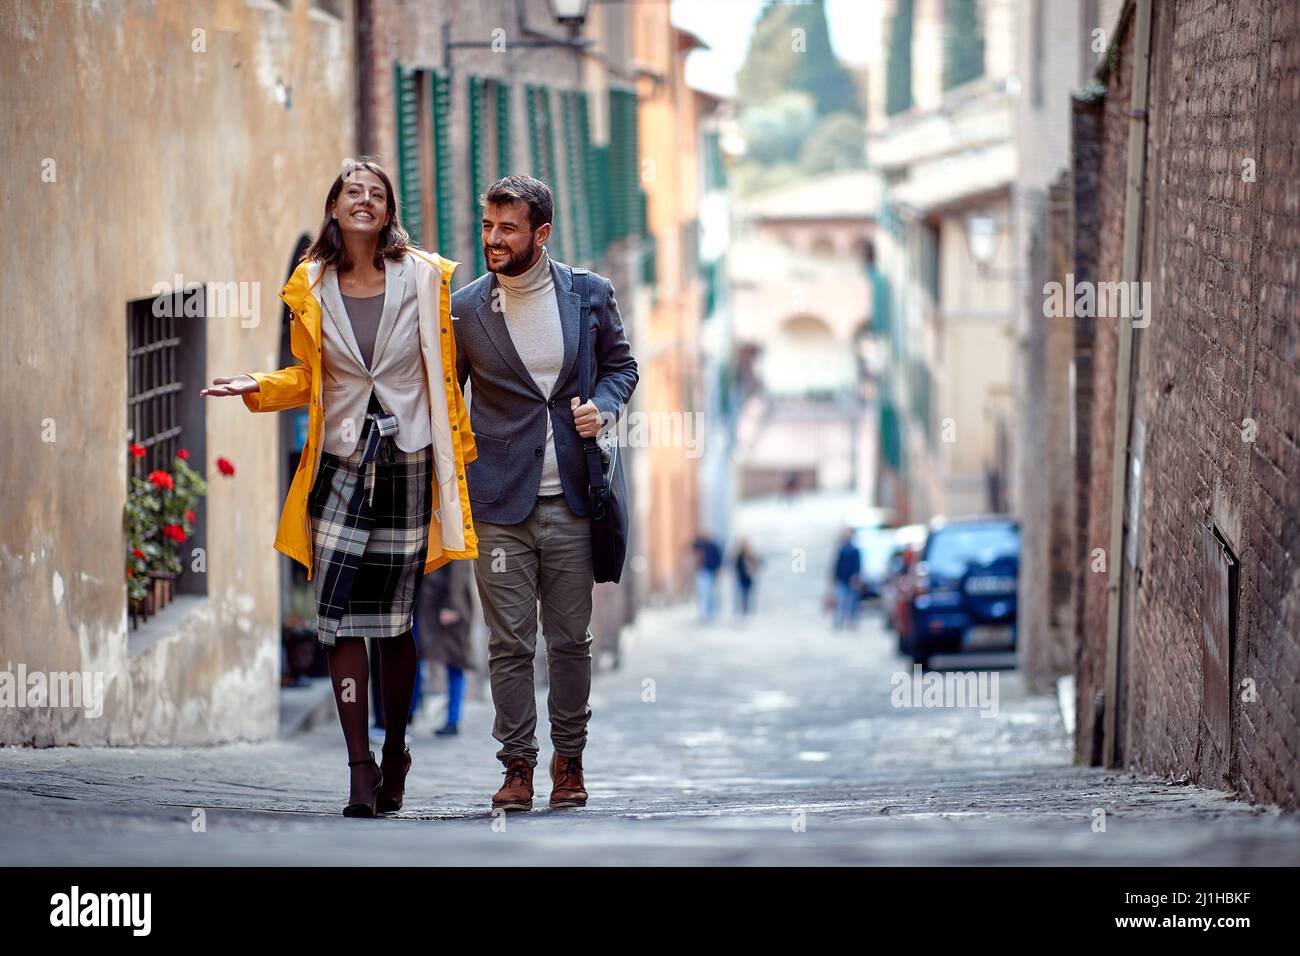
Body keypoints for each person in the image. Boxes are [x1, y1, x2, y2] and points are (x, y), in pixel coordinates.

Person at [202, 157, 478, 817]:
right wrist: (257, 386)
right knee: (336, 620)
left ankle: (396, 747)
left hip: (408, 460)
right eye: (351, 191)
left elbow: (445, 369)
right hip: (340, 462)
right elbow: (309, 376)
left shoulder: (423, 276)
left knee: (393, 622)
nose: (362, 200)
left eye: (375, 193)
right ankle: (359, 767)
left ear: (387, 212)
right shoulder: (313, 282)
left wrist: (463, 453)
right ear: (335, 208)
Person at [451, 174, 638, 812]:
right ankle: (516, 767)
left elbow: (623, 367)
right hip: (499, 502)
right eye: (487, 226)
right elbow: (445, 395)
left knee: (569, 641)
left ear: (541, 233)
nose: (494, 239)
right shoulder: (467, 308)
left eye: (507, 227)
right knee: (508, 643)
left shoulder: (589, 296)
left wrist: (603, 408)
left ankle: (570, 760)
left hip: (572, 502)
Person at [416, 558, 477, 736]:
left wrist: (452, 605)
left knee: (455, 662)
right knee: (416, 658)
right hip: (429, 604)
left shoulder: (455, 530)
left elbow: (460, 566)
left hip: (448, 607)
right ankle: (411, 712)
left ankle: (453, 719)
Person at [831, 528, 862, 630]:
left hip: (851, 580)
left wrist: (856, 576)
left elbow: (858, 565)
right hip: (842, 579)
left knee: (852, 602)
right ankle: (839, 621)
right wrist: (834, 577)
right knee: (841, 601)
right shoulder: (842, 550)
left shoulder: (855, 550)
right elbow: (836, 564)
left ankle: (852, 621)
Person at [692, 533, 723, 623]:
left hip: (711, 573)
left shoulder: (713, 546)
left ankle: (710, 613)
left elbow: (718, 559)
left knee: (710, 594)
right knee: (703, 593)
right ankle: (703, 614)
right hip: (702, 572)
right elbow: (693, 547)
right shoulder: (700, 545)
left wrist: (717, 569)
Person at [733, 538, 760, 620]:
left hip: (748, 579)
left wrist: (752, 569)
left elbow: (757, 564)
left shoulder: (750, 555)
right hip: (741, 578)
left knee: (747, 595)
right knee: (742, 595)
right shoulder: (739, 556)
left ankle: (747, 611)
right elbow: (736, 566)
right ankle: (742, 612)